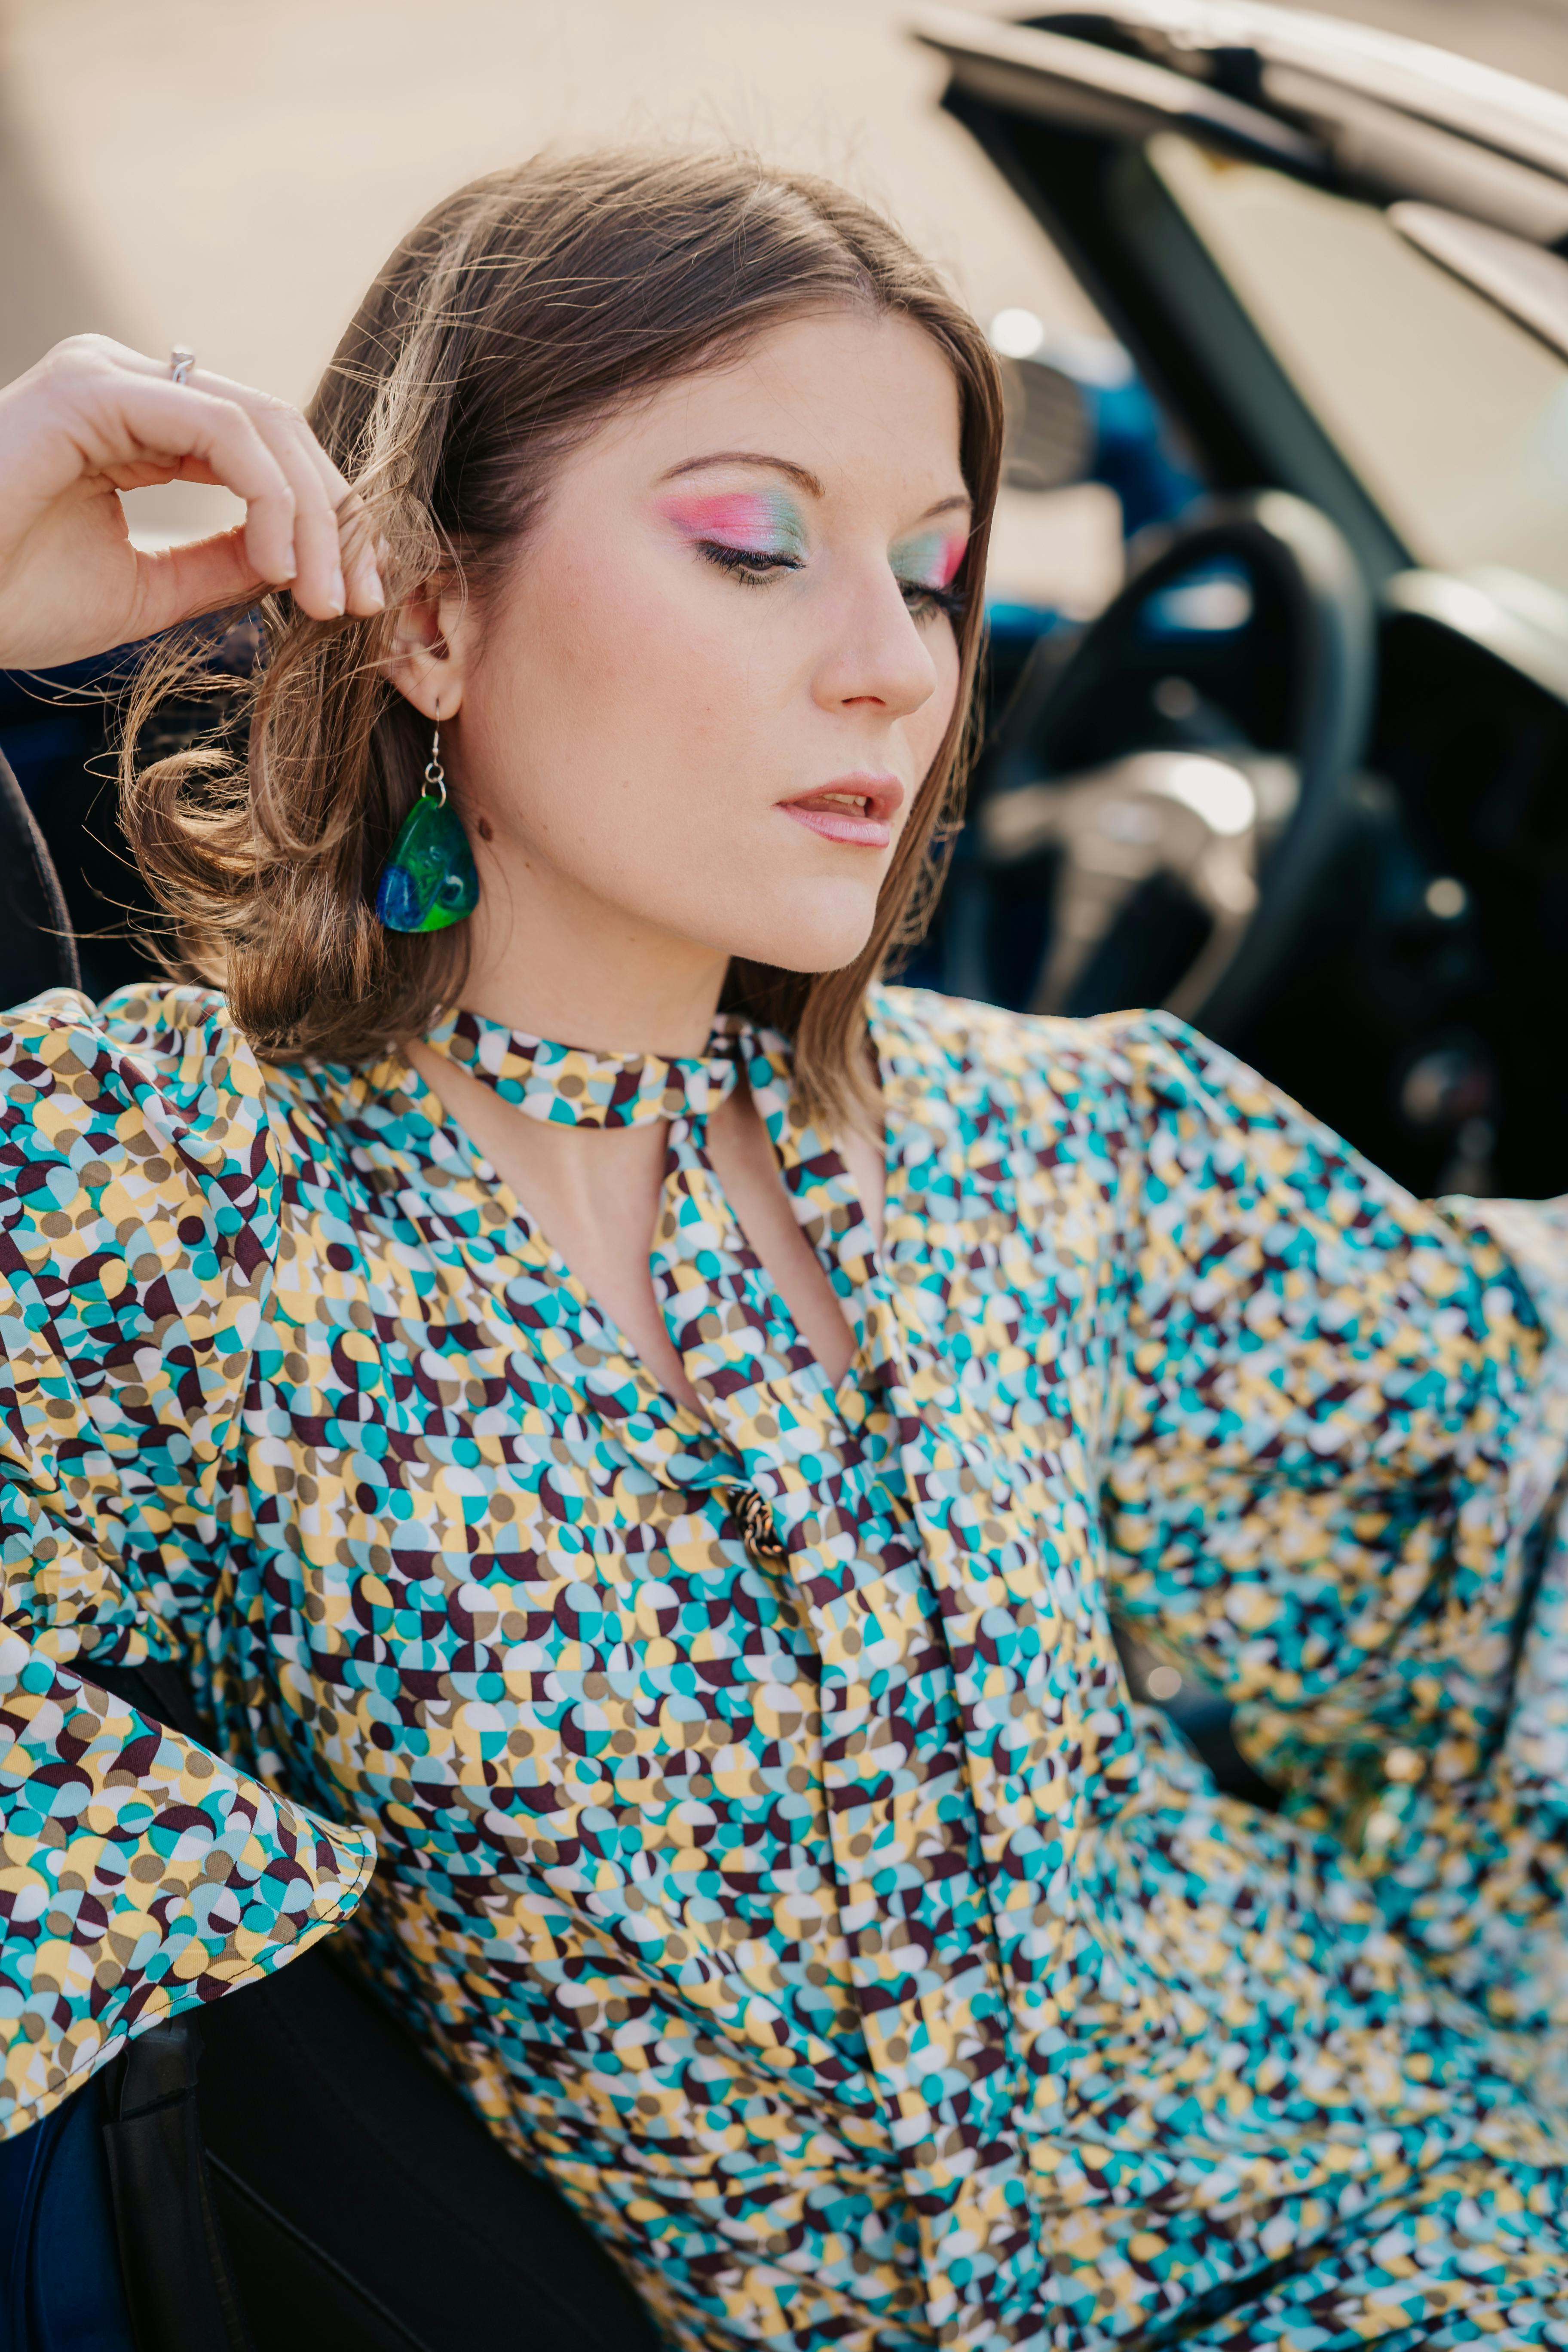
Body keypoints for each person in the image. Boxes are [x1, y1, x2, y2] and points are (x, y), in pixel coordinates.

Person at [1, 145, 1567, 2352]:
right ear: (428, 614)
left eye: (935, 576)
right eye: (754, 545)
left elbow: (1508, 1449)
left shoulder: (1053, 1143)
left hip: (1421, 2221)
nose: (895, 670)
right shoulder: (173, 1205)